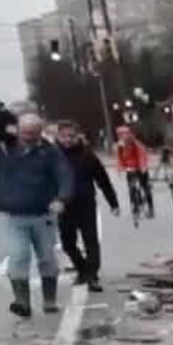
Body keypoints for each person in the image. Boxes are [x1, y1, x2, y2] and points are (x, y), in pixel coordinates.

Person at [0, 113, 73, 317]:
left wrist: (61, 199)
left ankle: (49, 300)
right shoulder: (5, 148)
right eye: (25, 132)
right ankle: (22, 302)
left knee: (46, 257)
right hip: (11, 215)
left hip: (42, 215)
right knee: (19, 255)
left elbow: (64, 174)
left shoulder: (50, 152)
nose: (28, 137)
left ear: (40, 132)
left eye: (33, 133)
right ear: (18, 130)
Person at [54, 121, 120, 293]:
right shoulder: (52, 156)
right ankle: (82, 269)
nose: (68, 140)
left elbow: (103, 180)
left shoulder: (87, 155)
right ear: (58, 137)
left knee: (91, 242)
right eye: (64, 136)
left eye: (71, 136)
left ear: (77, 136)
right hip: (64, 206)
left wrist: (113, 203)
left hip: (86, 204)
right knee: (68, 244)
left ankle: (92, 276)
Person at [116, 124, 154, 219]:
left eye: (124, 134)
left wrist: (143, 167)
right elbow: (120, 158)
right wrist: (121, 168)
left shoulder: (136, 144)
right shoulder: (120, 146)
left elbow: (142, 155)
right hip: (130, 170)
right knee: (132, 189)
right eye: (120, 135)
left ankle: (150, 208)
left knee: (146, 188)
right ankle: (135, 208)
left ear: (128, 134)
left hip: (140, 168)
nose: (122, 137)